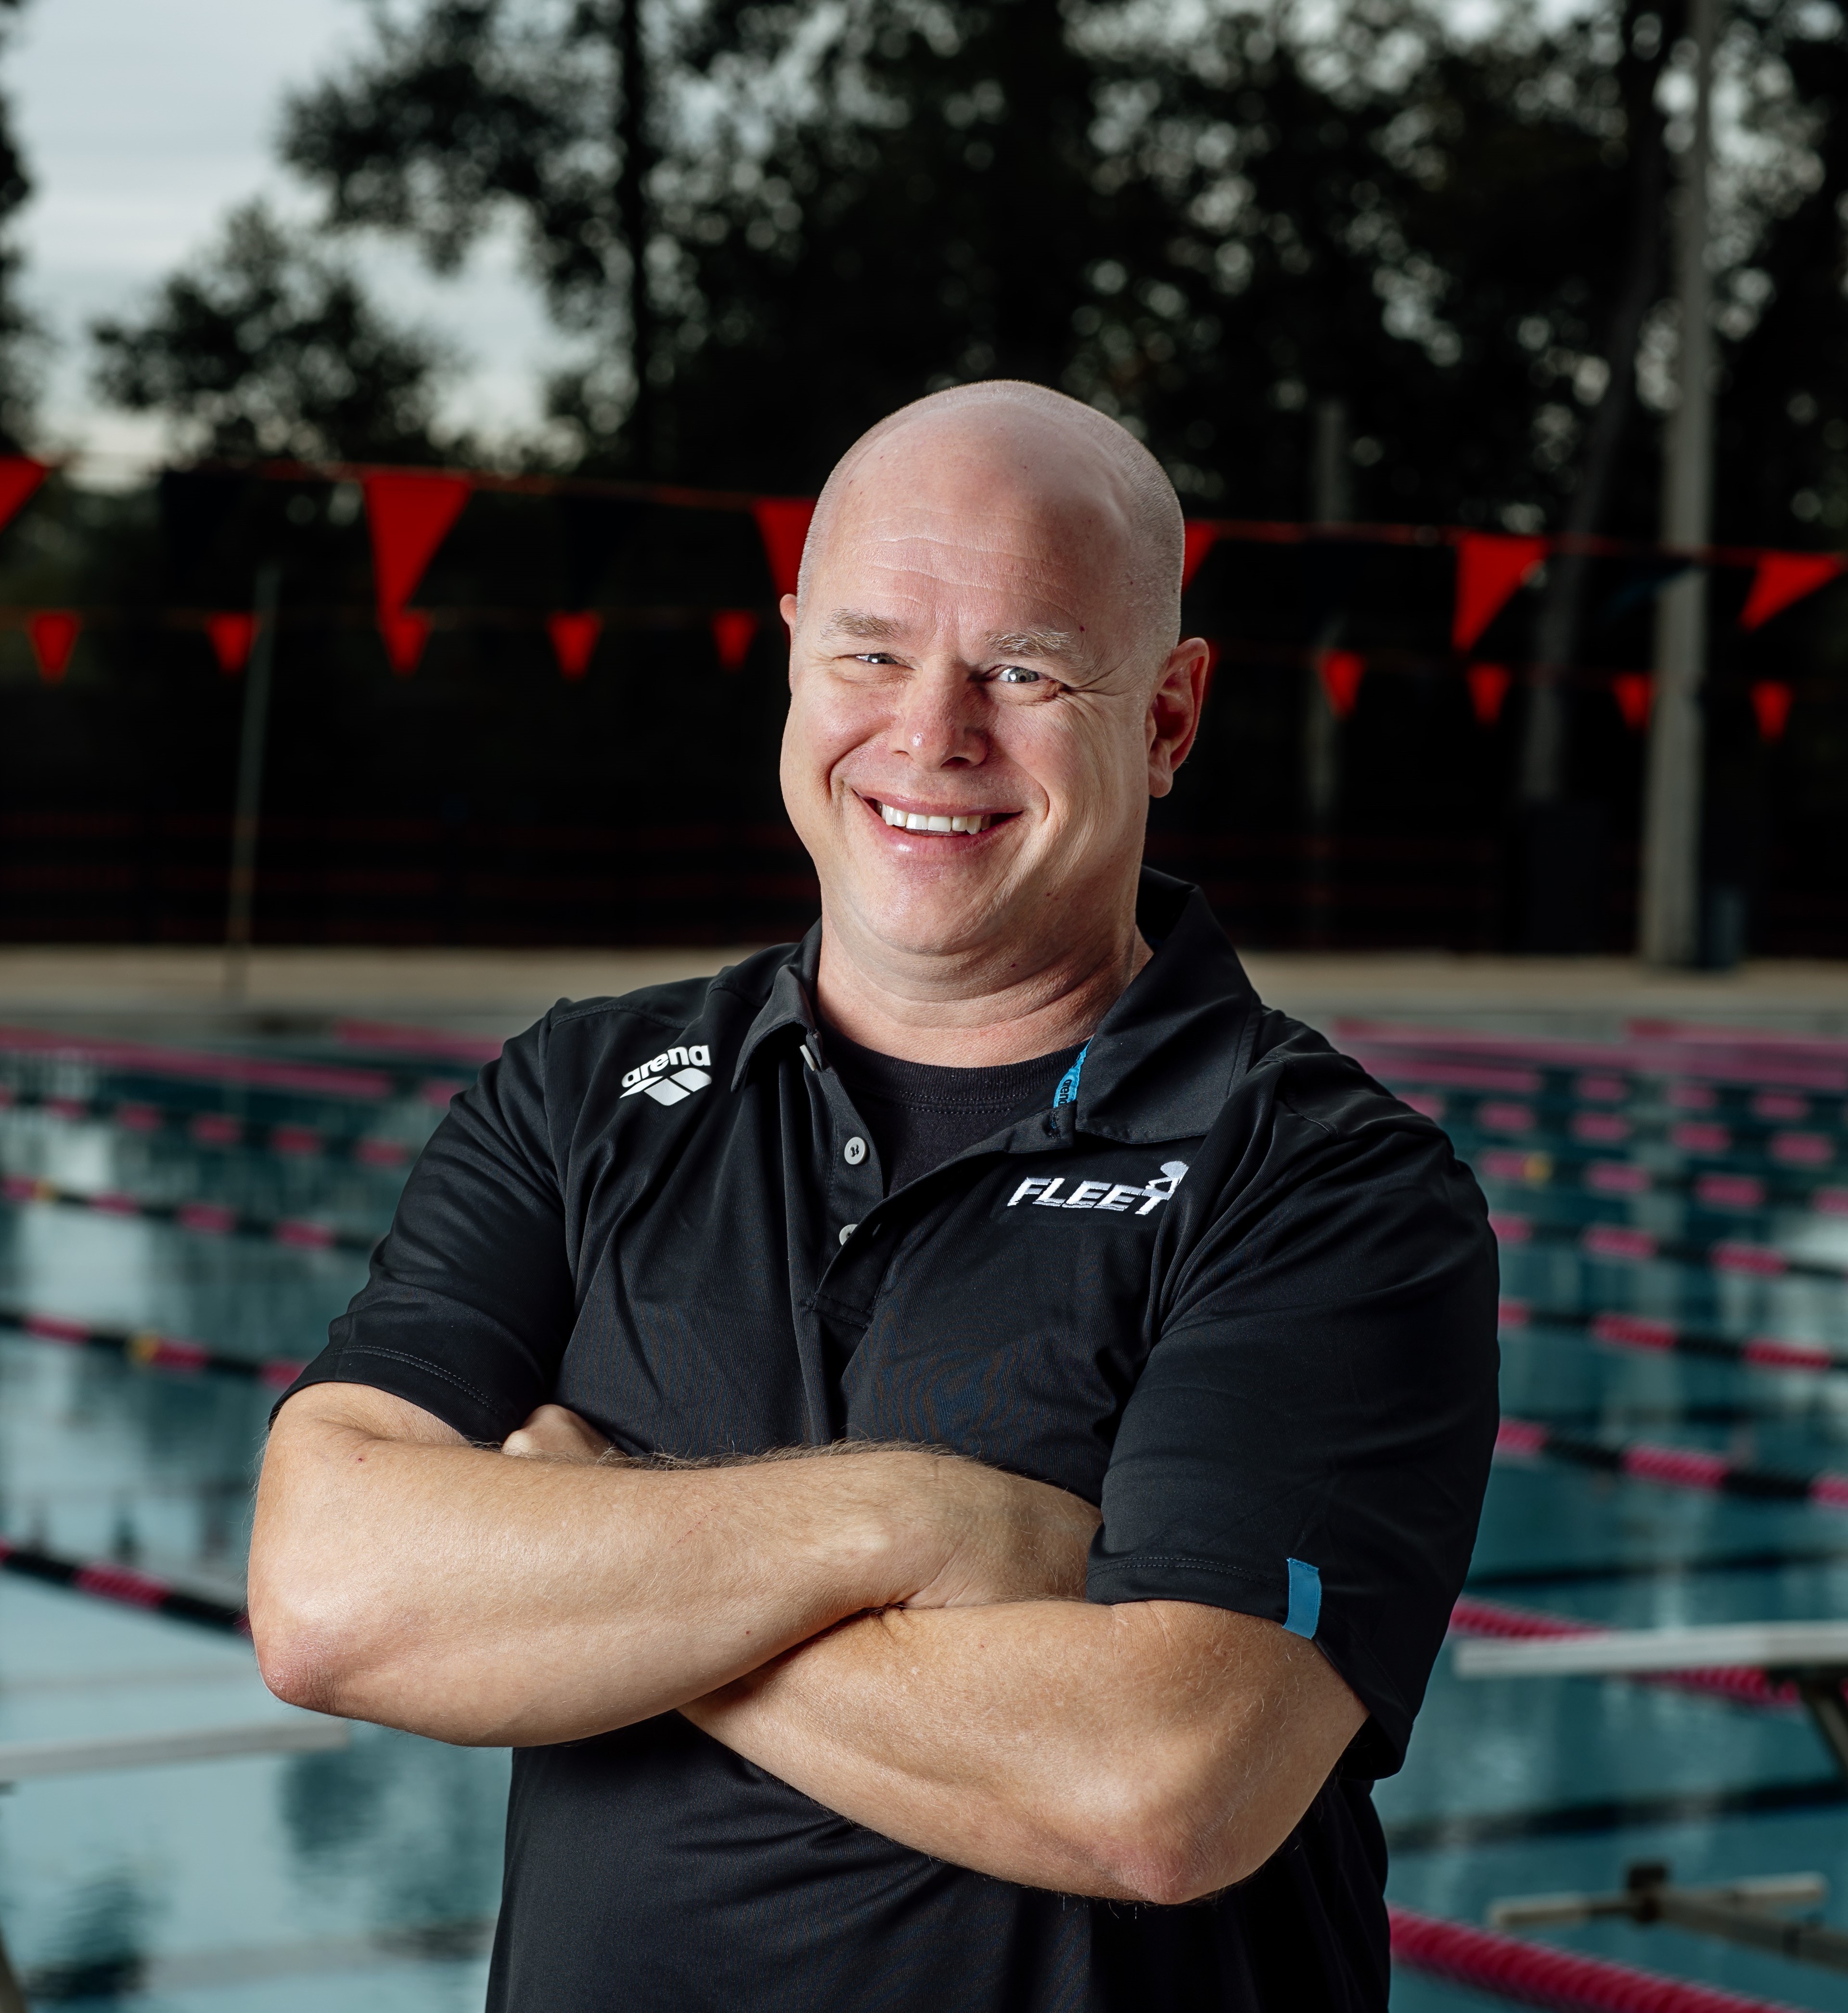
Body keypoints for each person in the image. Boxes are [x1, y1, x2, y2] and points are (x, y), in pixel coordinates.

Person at [250, 380, 1499, 2013]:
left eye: (1024, 669)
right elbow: (330, 1598)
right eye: (870, 651)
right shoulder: (580, 1098)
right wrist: (916, 1523)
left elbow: (1158, 1784)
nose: (931, 734)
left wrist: (600, 1546)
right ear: (790, 653)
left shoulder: (1329, 1187)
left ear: (1171, 716)